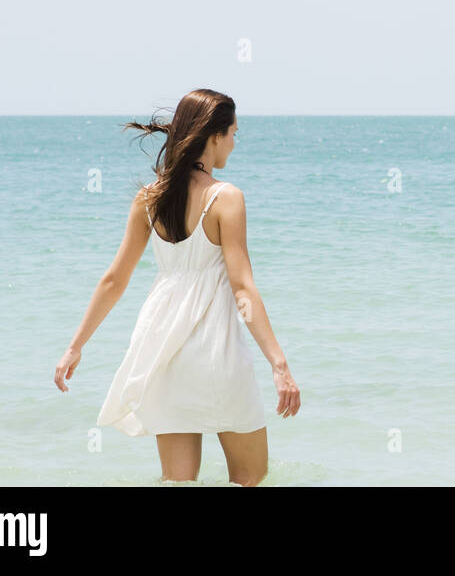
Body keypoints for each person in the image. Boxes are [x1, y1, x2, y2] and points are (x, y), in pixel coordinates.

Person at [54, 88, 300, 485]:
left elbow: (114, 280)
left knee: (178, 481)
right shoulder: (226, 198)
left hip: (163, 352)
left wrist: (75, 346)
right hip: (216, 356)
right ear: (214, 136)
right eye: (234, 134)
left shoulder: (149, 199)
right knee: (251, 478)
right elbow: (243, 288)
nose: (234, 144)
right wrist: (279, 363)